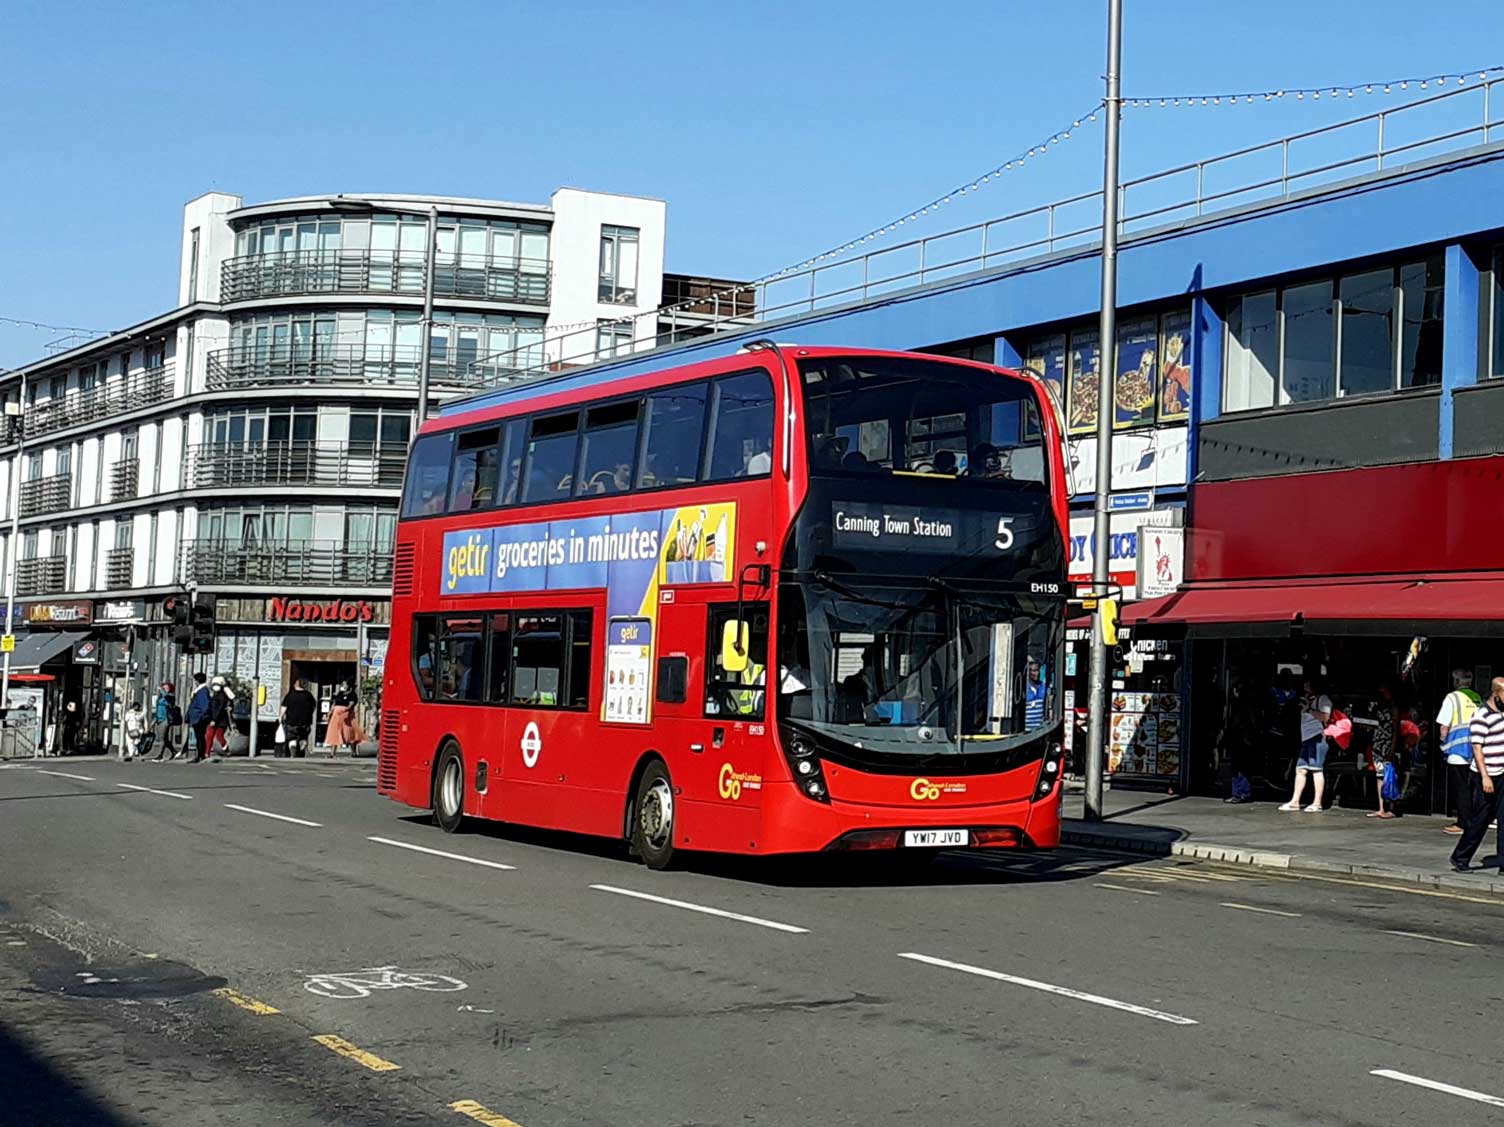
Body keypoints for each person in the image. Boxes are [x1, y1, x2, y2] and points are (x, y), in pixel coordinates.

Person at [1449, 676, 1504, 873]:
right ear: (1496, 694)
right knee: (1480, 820)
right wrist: (1485, 777)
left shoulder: (1503, 713)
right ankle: (1460, 857)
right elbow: (1477, 749)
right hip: (1485, 775)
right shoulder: (1482, 716)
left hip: (1502, 773)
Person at [1437, 669, 1482, 836]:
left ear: (1456, 682)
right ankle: (1475, 819)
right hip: (1476, 748)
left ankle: (1464, 823)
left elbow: (1444, 725)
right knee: (1473, 786)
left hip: (1458, 749)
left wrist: (1443, 741)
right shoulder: (1476, 697)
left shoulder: (1452, 697)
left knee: (1461, 787)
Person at [1279, 681, 1332, 812]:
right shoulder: (1308, 700)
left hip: (1318, 737)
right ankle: (1295, 801)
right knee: (1300, 769)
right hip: (1306, 738)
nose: (1305, 686)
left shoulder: (1323, 699)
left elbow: (1326, 717)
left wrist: (1309, 709)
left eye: (1308, 684)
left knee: (1316, 769)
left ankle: (1317, 802)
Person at [278, 678, 318, 759]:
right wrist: (309, 713)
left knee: (292, 738)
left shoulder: (290, 695)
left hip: (291, 721)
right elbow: (314, 706)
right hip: (305, 721)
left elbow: (284, 707)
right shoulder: (308, 695)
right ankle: (302, 749)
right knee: (303, 736)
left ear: (296, 685)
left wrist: (280, 717)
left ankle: (293, 753)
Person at [324, 680, 365, 756]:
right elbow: (334, 703)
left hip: (346, 716)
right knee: (334, 733)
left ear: (349, 686)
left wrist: (345, 710)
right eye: (342, 684)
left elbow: (351, 704)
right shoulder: (340, 693)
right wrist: (329, 713)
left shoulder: (352, 695)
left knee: (350, 733)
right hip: (336, 716)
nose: (343, 686)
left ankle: (353, 752)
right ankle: (332, 753)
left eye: (345, 684)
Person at [202, 676, 234, 762]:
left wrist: (214, 720)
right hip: (217, 719)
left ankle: (224, 748)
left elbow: (219, 709)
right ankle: (207, 752)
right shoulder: (217, 695)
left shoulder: (222, 696)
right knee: (210, 736)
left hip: (219, 720)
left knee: (217, 736)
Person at [185, 672, 212, 763]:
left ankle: (200, 755)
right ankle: (200, 754)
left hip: (199, 718)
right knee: (199, 737)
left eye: (195, 680)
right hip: (197, 717)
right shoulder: (200, 690)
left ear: (197, 681)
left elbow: (204, 705)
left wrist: (201, 716)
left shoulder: (202, 691)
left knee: (200, 737)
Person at [153, 682, 182, 761]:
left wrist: (162, 690)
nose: (164, 689)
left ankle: (160, 755)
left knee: (162, 738)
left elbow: (167, 697)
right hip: (159, 718)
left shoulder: (170, 696)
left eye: (166, 688)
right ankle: (174, 751)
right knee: (164, 738)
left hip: (166, 719)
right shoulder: (161, 697)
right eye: (163, 688)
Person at [1024, 657, 1048, 731]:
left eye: (1038, 670)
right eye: (1034, 671)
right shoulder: (1024, 688)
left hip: (1040, 730)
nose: (1037, 673)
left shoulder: (1044, 687)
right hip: (1026, 730)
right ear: (1028, 672)